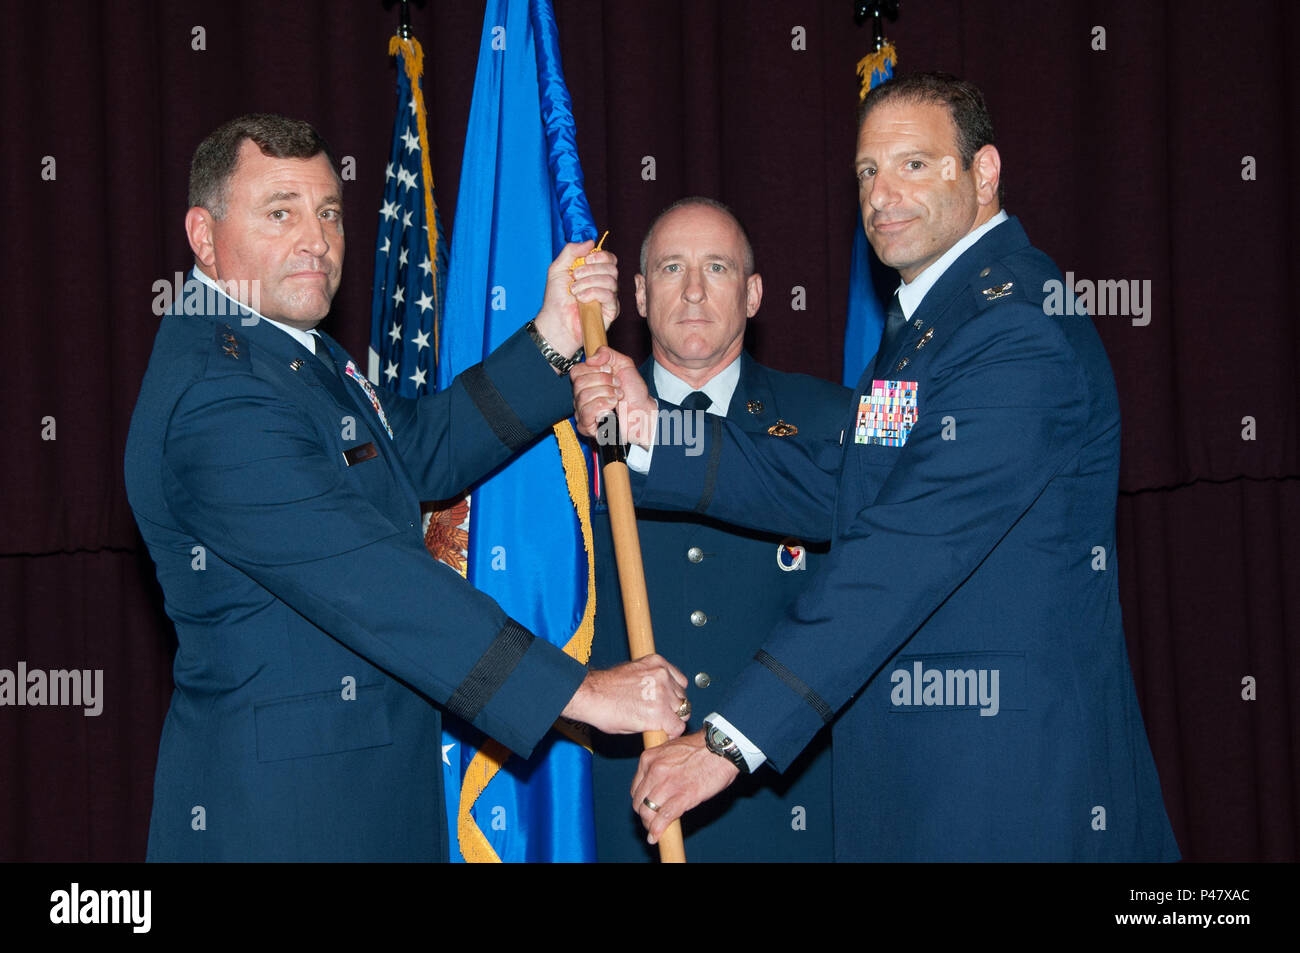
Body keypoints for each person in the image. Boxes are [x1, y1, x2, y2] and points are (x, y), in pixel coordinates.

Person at [572, 73, 1181, 861]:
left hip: (1005, 789)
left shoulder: (1017, 329)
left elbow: (901, 551)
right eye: (867, 172)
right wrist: (655, 430)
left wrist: (727, 739)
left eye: (915, 166)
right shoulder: (936, 323)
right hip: (924, 783)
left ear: (984, 172)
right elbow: (842, 478)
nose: (883, 194)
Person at [124, 114, 689, 862]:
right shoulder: (217, 393)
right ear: (203, 235)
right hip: (287, 825)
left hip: (358, 802)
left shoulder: (287, 350)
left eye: (328, 212)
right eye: (281, 212)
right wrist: (579, 694)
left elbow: (414, 450)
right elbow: (372, 579)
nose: (316, 239)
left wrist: (552, 336)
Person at [588, 198, 848, 862]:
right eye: (672, 267)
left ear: (756, 293)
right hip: (627, 806)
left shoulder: (831, 419)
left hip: (788, 804)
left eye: (718, 267)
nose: (695, 290)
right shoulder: (574, 431)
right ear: (640, 295)